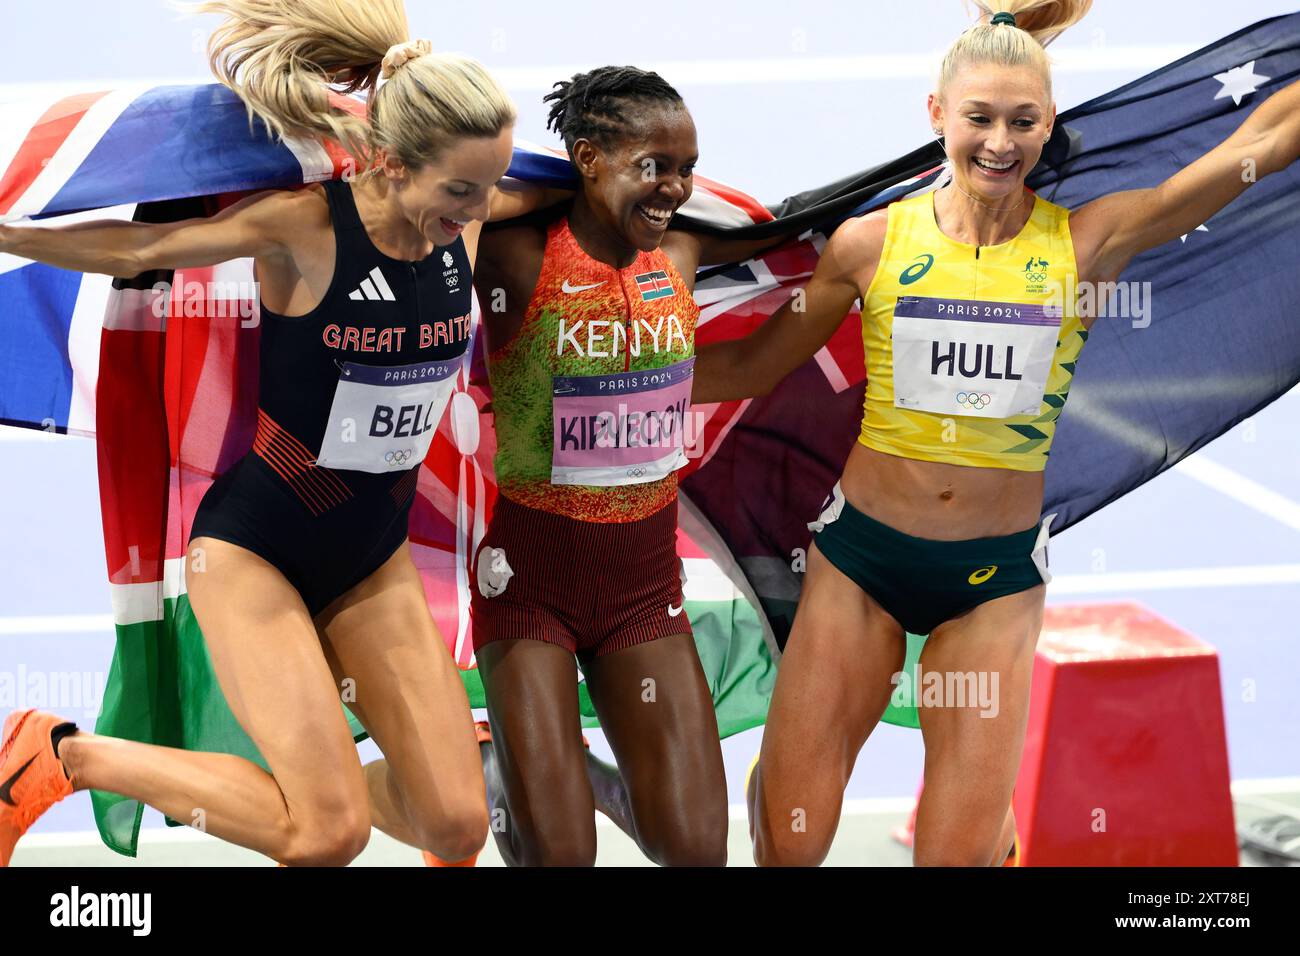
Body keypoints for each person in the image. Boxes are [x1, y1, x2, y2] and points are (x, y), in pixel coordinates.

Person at [693, 0, 1300, 865]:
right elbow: (755, 366)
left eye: (1022, 121)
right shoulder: (868, 245)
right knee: (789, 844)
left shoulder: (1090, 242)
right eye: (978, 118)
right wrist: (601, 378)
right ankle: (788, 766)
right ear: (937, 114)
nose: (999, 143)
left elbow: (1260, 145)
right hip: (861, 565)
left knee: (955, 858)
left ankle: (991, 835)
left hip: (994, 584)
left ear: (1048, 124)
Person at [0, 0, 562, 867]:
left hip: (371, 557)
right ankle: (59, 753)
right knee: (325, 836)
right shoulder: (305, 227)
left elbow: (569, 189)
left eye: (489, 186)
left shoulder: (468, 218)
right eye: (461, 189)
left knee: (456, 826)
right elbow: (137, 252)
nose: (482, 207)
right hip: (256, 551)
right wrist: (5, 231)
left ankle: (342, 783)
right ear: (392, 161)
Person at [468, 66, 793, 866]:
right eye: (655, 166)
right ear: (586, 158)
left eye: (687, 168)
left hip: (642, 595)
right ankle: (497, 769)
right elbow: (433, 203)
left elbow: (797, 234)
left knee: (694, 852)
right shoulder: (512, 256)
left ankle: (582, 780)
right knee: (561, 857)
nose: (676, 188)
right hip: (529, 588)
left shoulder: (681, 249)